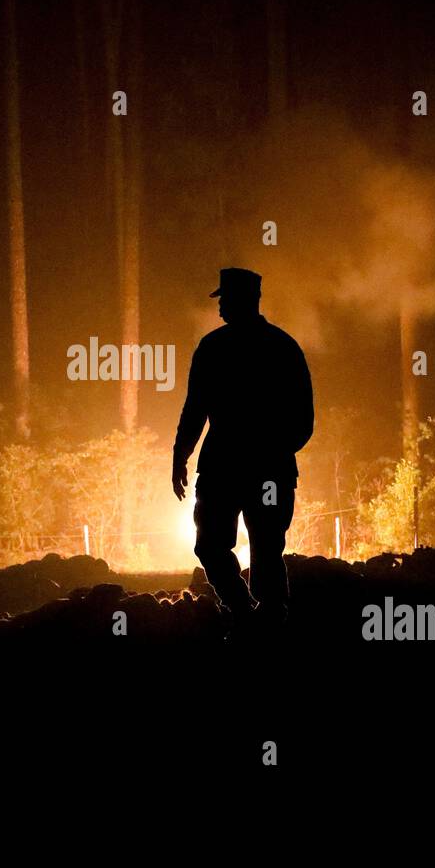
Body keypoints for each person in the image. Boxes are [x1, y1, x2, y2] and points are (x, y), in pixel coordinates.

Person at [172, 267, 314, 639]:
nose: (220, 309)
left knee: (217, 546)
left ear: (241, 301)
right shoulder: (282, 347)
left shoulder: (214, 348)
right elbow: (303, 418)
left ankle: (249, 616)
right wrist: (276, 452)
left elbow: (195, 410)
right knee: (264, 547)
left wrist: (181, 455)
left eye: (225, 301)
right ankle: (262, 619)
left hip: (224, 469)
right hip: (266, 471)